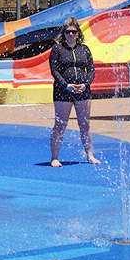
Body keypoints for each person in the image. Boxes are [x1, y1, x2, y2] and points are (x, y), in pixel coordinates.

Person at [47, 17, 99, 167]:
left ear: (78, 33)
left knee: (85, 124)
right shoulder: (57, 49)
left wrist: (86, 84)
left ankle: (89, 154)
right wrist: (66, 85)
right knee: (60, 124)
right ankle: (55, 157)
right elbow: (54, 70)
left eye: (73, 32)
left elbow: (91, 70)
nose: (71, 34)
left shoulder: (84, 49)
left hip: (83, 91)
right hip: (63, 91)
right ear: (63, 33)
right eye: (68, 32)